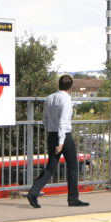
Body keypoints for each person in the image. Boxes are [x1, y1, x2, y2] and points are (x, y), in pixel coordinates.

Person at [27, 74, 89, 208]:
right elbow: (63, 121)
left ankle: (33, 192)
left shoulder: (49, 98)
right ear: (71, 86)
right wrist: (61, 141)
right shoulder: (66, 99)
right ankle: (73, 199)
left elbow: (45, 119)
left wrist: (52, 132)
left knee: (51, 167)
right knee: (73, 166)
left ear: (58, 84)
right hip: (64, 136)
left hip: (52, 135)